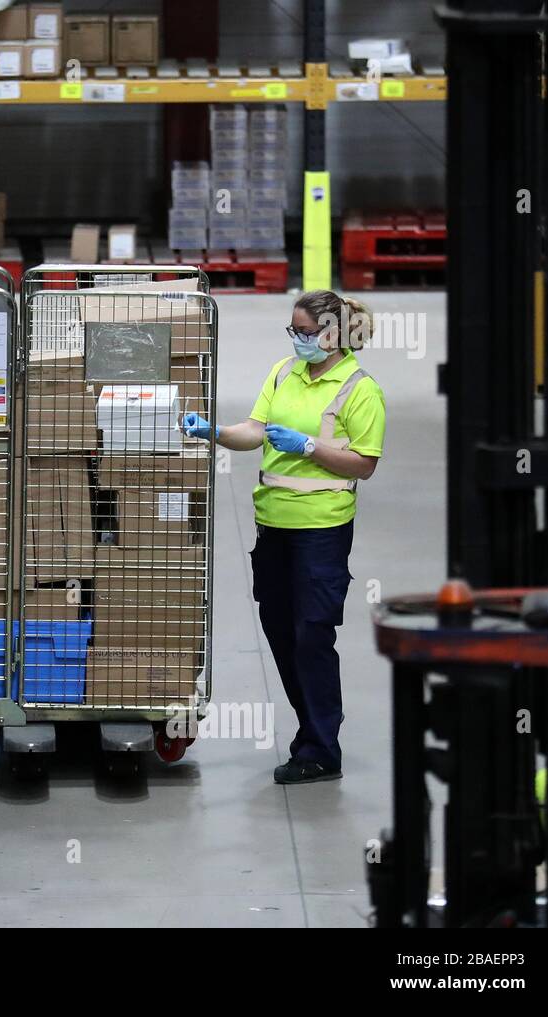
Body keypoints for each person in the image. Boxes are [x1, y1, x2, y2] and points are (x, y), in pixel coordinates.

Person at [182, 290, 386, 784]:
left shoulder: (361, 389)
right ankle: (311, 733)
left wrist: (310, 446)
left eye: (307, 332)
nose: (298, 340)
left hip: (321, 531)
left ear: (334, 334)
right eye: (293, 331)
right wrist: (214, 432)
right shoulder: (283, 372)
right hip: (272, 527)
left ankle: (320, 748)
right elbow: (256, 430)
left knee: (312, 634)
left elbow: (365, 463)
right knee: (281, 631)